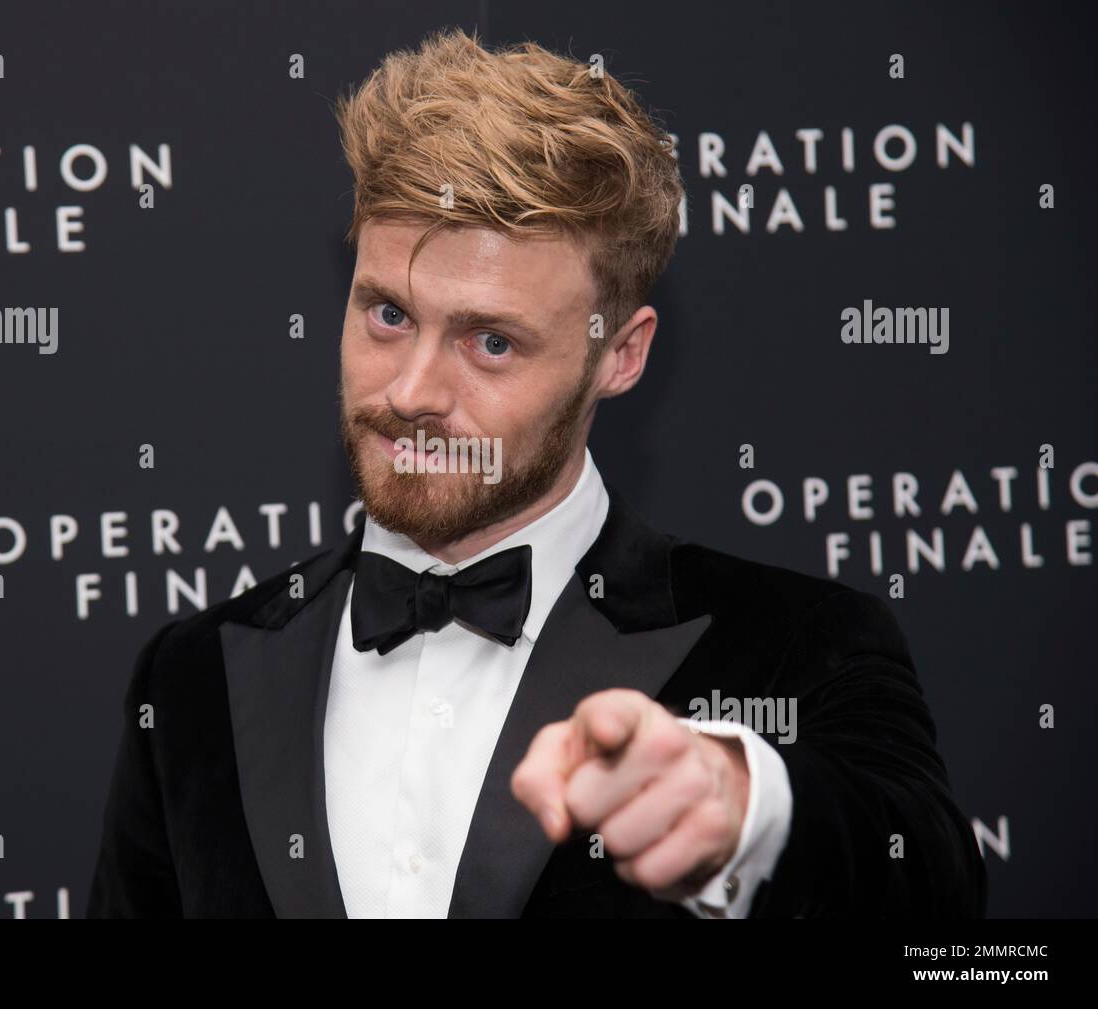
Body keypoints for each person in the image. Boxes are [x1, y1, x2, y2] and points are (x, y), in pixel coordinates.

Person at [85, 26, 987, 918]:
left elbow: (936, 892)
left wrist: (744, 808)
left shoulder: (798, 643)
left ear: (620, 357)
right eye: (389, 314)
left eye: (491, 341)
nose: (411, 391)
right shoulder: (193, 678)